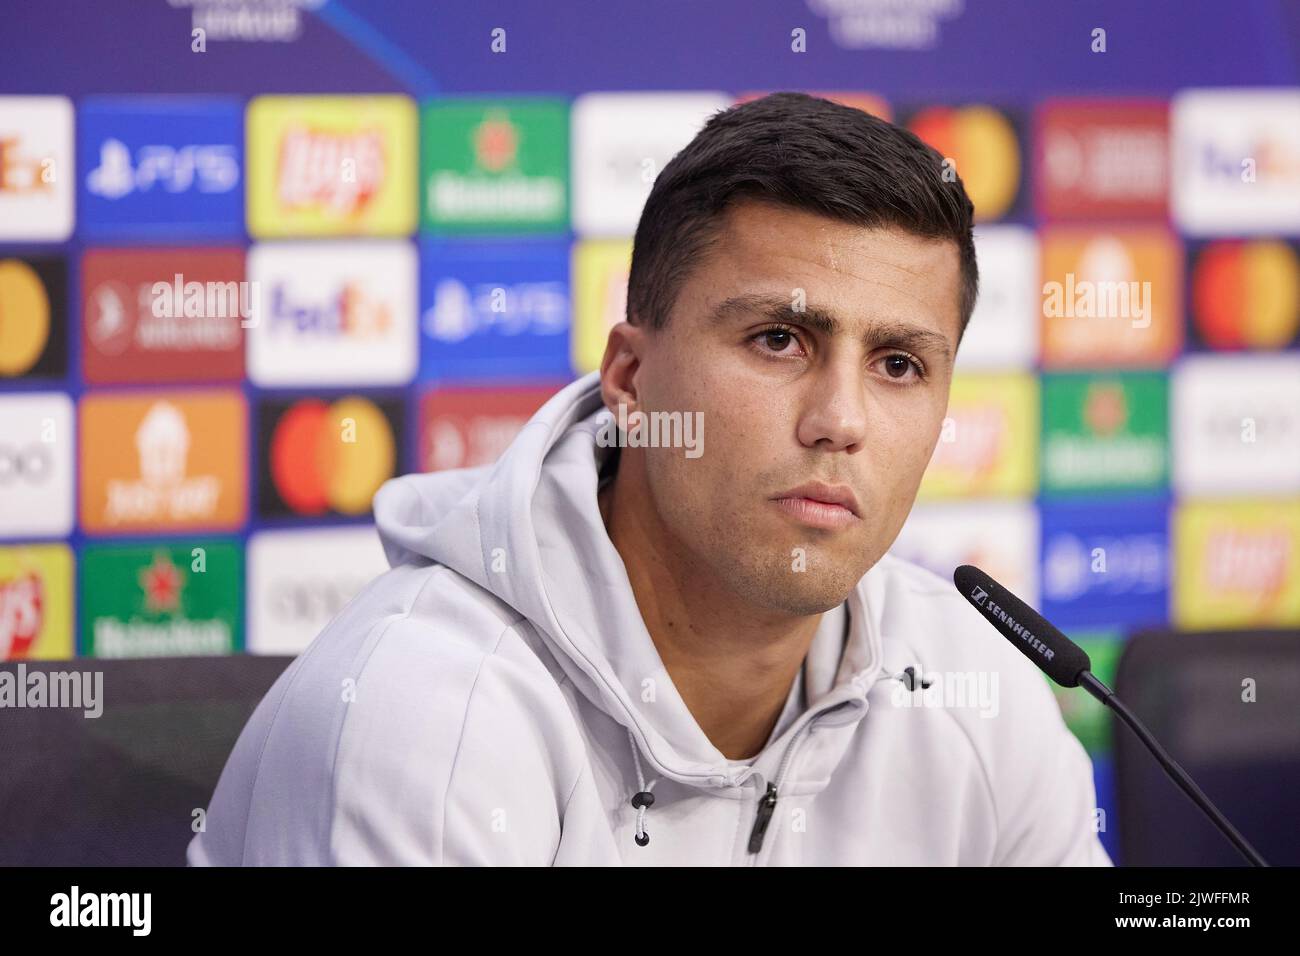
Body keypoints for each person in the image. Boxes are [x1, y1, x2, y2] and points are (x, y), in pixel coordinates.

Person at [189, 92, 1111, 865]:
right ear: (630, 380)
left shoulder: (974, 691)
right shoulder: (426, 721)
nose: (842, 420)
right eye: (779, 340)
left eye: (900, 364)